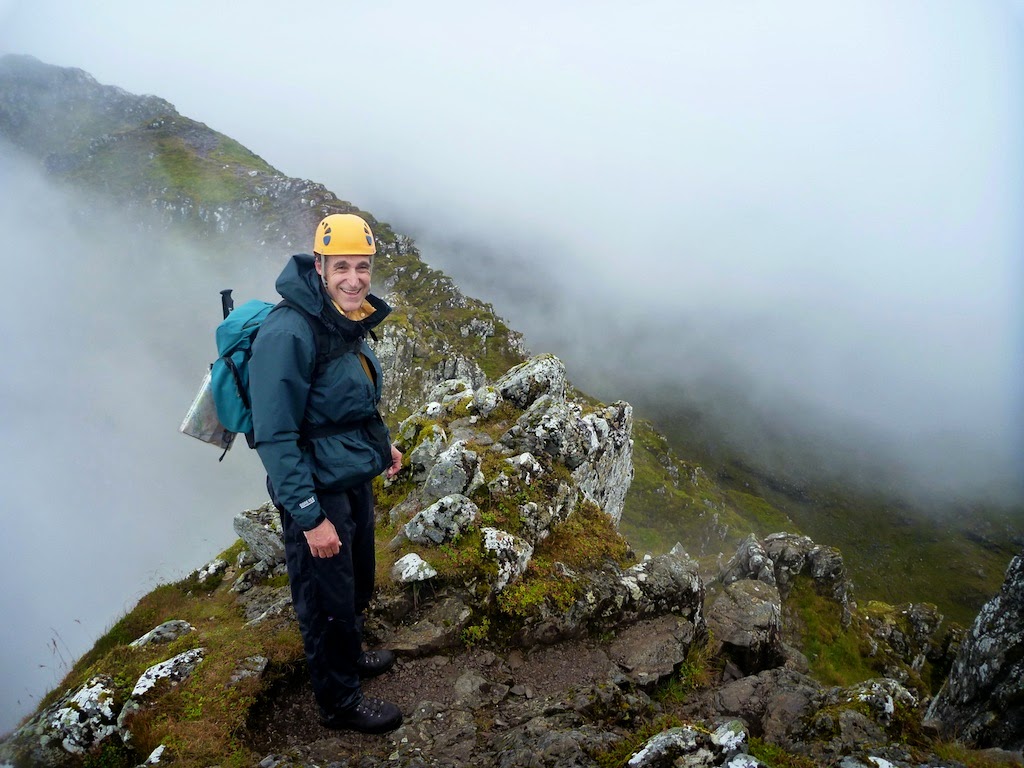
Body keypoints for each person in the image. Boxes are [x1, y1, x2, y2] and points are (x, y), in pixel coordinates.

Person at [249, 212, 403, 734]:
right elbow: (275, 435)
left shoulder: (344, 317)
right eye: (341, 267)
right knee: (326, 600)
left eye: (362, 267)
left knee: (355, 579)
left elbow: (354, 402)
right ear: (319, 266)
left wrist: (383, 448)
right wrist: (311, 517)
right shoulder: (289, 331)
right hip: (315, 490)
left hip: (351, 475)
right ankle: (339, 704)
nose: (354, 278)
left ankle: (351, 656)